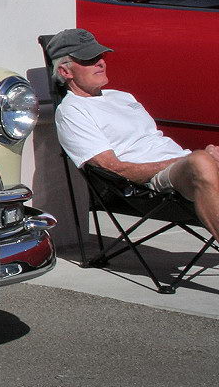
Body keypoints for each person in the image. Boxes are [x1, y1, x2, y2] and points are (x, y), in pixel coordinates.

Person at [48, 27, 219, 242]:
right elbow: (114, 169)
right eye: (89, 59)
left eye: (100, 56)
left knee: (205, 160)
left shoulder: (122, 96)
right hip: (152, 184)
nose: (101, 62)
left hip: (183, 165)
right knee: (201, 161)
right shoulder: (72, 111)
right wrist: (189, 160)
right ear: (66, 72)